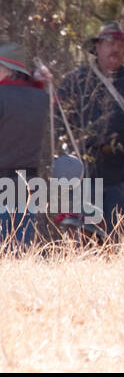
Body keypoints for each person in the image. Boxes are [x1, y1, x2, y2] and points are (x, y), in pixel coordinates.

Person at [58, 22, 124, 228]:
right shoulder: (76, 79)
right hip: (84, 167)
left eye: (120, 45)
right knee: (83, 231)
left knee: (116, 230)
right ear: (98, 47)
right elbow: (59, 121)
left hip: (120, 168)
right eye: (110, 43)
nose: (115, 49)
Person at [0, 42, 51, 246]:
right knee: (19, 248)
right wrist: (37, 83)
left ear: (7, 70)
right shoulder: (41, 97)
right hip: (28, 183)